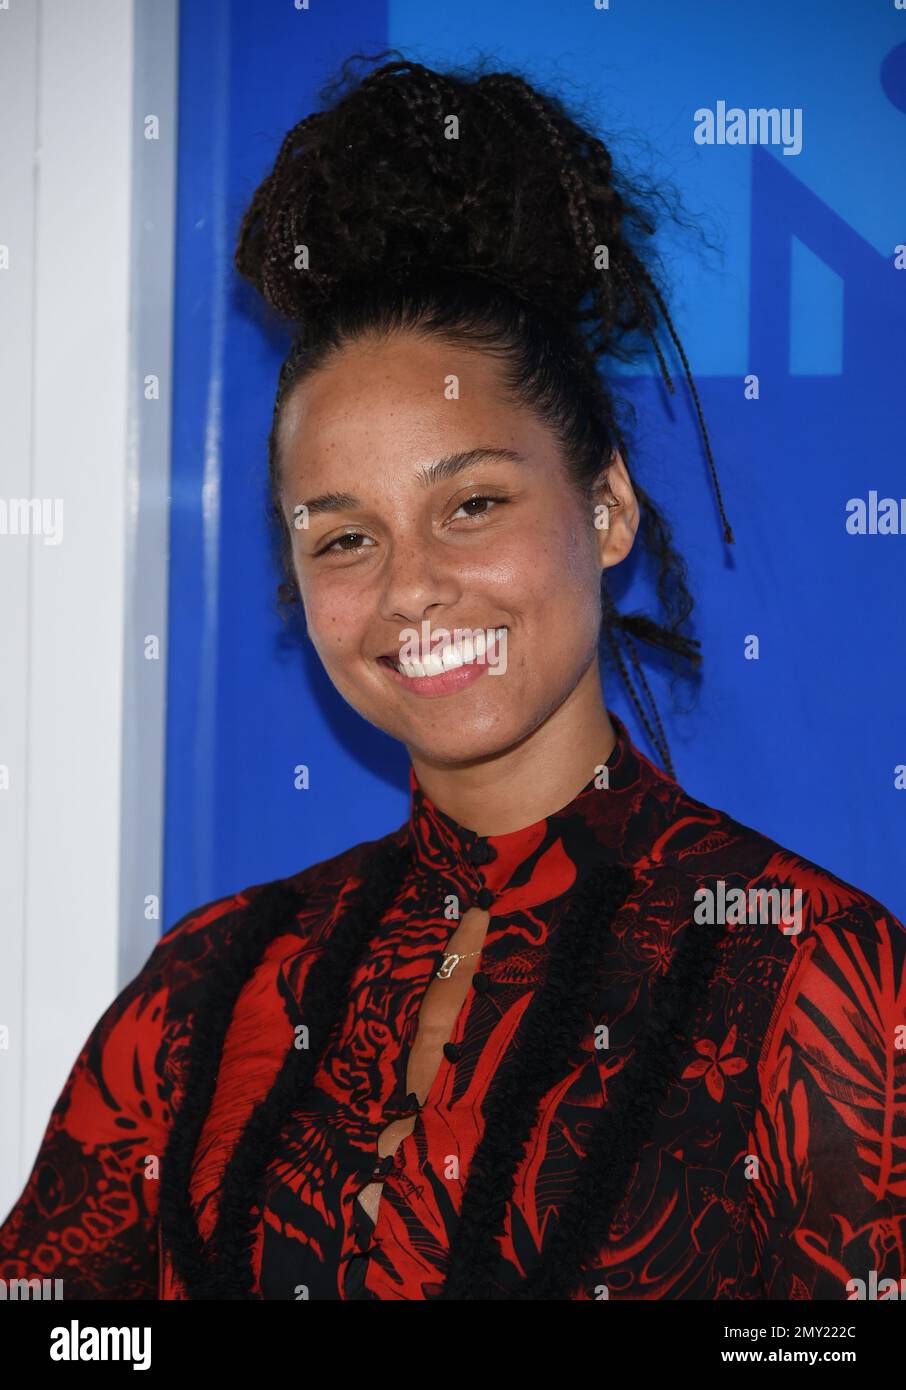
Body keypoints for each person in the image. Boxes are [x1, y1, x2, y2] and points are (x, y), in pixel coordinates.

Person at [2, 53, 904, 1302]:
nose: (411, 587)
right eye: (344, 536)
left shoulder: (813, 969)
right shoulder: (202, 989)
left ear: (605, 509)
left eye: (471, 502)